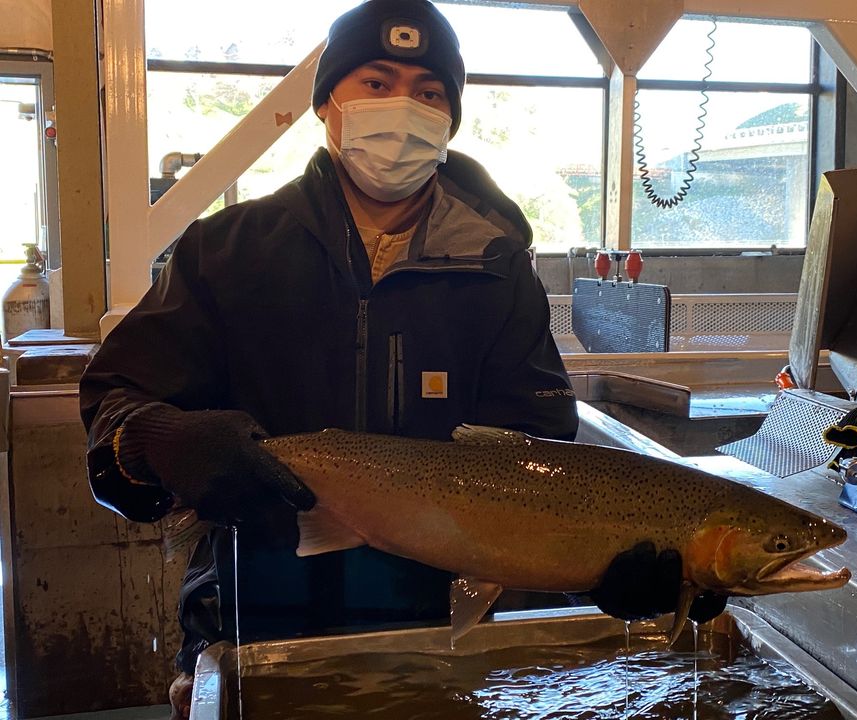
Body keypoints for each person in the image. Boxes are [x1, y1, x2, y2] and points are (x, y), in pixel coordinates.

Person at [79, 1, 724, 717]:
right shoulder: (224, 252)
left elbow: (536, 453)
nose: (402, 108)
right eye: (376, 82)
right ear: (327, 104)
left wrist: (593, 565)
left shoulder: (496, 268)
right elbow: (115, 400)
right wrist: (161, 439)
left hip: (438, 644)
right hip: (246, 630)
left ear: (450, 118)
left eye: (428, 92)